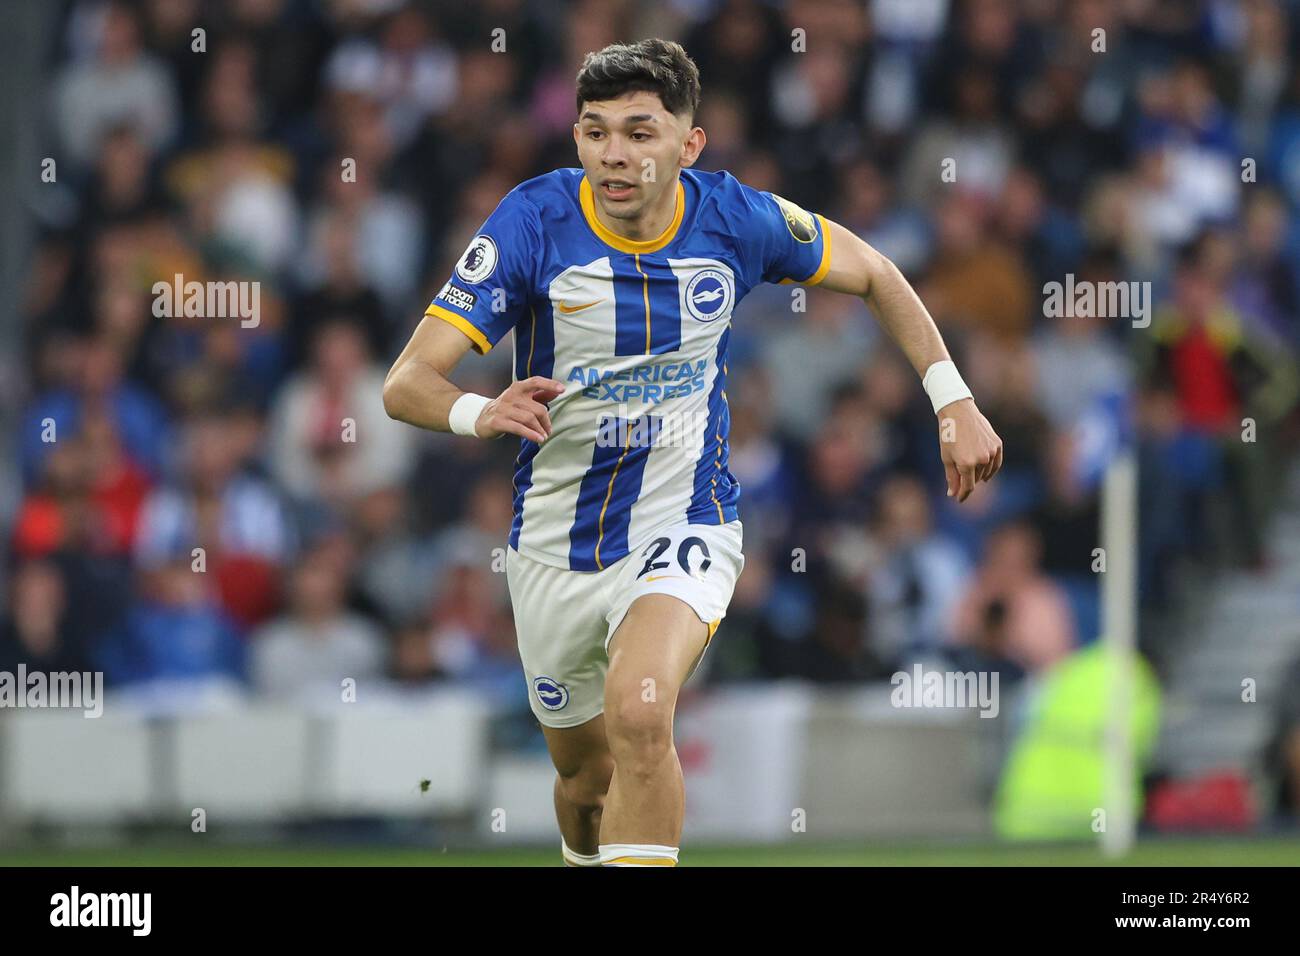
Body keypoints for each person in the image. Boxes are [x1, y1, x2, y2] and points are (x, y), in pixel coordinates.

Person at [383, 39, 1002, 867]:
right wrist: (479, 409)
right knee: (585, 782)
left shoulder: (734, 219)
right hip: (552, 549)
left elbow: (876, 272)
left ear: (689, 143)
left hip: (686, 521)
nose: (616, 154)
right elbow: (406, 382)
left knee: (642, 714)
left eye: (641, 132)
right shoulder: (532, 222)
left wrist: (952, 398)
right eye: (597, 132)